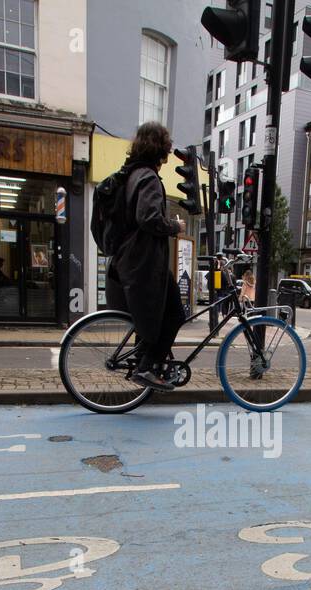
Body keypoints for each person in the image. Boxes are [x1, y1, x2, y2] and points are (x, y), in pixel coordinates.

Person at [105, 122, 186, 390]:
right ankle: (148, 366)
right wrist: (175, 226)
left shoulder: (130, 174)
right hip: (145, 263)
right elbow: (148, 218)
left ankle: (145, 362)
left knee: (150, 314)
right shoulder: (148, 177)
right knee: (175, 313)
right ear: (160, 149)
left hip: (131, 261)